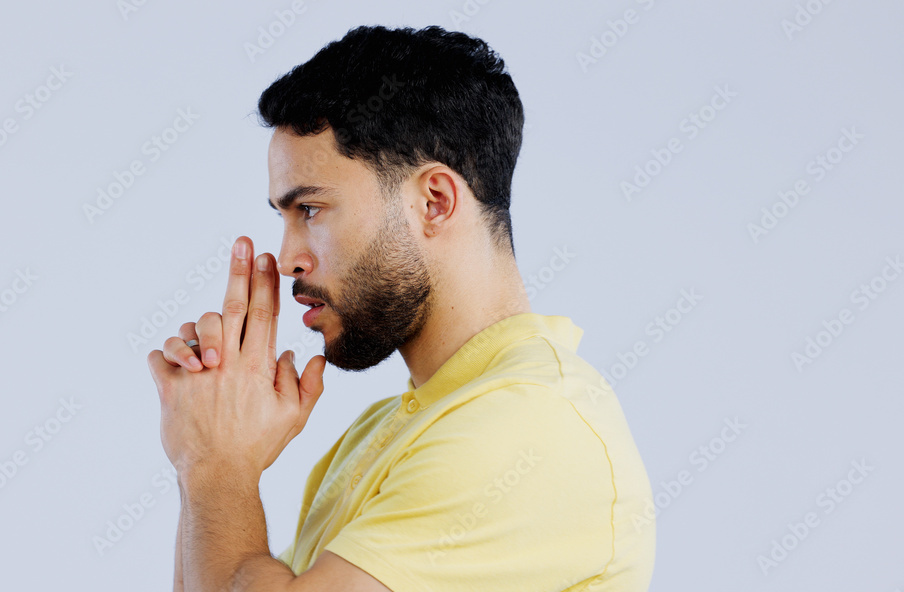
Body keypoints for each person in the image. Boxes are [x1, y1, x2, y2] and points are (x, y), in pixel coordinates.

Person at [147, 24, 655, 592]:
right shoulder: (383, 431)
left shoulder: (531, 425)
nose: (287, 259)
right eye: (283, 217)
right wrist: (202, 455)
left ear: (434, 202)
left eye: (310, 209)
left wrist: (217, 465)